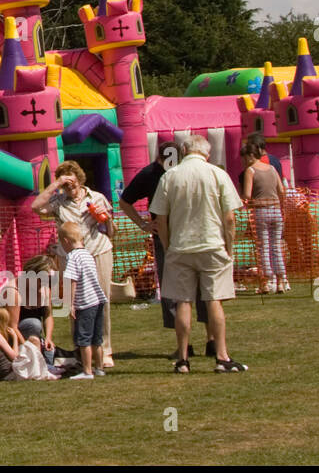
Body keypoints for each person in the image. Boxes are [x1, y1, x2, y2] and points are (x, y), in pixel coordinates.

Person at [149, 135, 248, 373]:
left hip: (180, 246)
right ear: (208, 153)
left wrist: (167, 243)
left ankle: (183, 358)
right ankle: (222, 356)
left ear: (183, 151)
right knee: (214, 300)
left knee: (183, 301)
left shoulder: (169, 176)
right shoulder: (218, 174)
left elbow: (160, 219)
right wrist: (229, 246)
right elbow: (230, 217)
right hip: (212, 243)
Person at [117, 155, 215, 359]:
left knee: (202, 288)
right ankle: (184, 346)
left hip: (191, 235)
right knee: (173, 292)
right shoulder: (149, 174)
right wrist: (142, 224)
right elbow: (125, 201)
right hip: (165, 237)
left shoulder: (187, 172)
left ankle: (211, 340)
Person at [32, 160, 115, 368]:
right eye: (66, 183)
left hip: (97, 252)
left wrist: (104, 219)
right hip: (69, 258)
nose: (70, 186)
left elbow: (111, 230)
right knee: (74, 303)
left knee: (101, 302)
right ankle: (81, 348)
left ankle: (104, 350)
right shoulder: (58, 202)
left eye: (72, 180)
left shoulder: (97, 197)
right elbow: (35, 207)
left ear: (80, 178)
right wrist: (55, 184)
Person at [60, 222, 107, 380]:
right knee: (97, 338)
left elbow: (72, 281)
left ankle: (87, 370)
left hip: (85, 302)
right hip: (98, 300)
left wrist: (70, 303)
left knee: (83, 338)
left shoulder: (72, 257)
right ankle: (99, 367)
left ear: (66, 241)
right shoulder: (88, 254)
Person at [242, 138, 288, 293]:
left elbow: (247, 194)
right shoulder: (272, 169)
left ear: (249, 155)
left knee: (263, 247)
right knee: (276, 246)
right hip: (276, 210)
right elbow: (282, 191)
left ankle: (266, 282)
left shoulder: (251, 170)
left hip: (260, 211)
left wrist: (246, 201)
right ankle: (281, 281)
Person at [0, 305, 58, 382]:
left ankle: (45, 371)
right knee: (34, 342)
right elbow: (15, 357)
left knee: (32, 342)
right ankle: (44, 372)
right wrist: (15, 338)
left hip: (1, 374)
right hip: (10, 374)